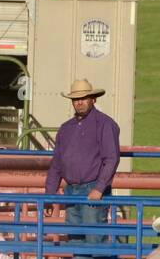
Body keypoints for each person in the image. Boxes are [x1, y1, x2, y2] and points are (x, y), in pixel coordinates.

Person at [44, 79, 120, 235]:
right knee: (75, 238)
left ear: (93, 99)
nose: (79, 102)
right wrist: (49, 195)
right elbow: (57, 164)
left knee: (94, 239)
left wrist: (99, 188)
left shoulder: (104, 124)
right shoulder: (66, 128)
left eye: (83, 98)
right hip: (71, 190)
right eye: (76, 99)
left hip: (91, 188)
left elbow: (111, 158)